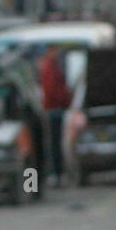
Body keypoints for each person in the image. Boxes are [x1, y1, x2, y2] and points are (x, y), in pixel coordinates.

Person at [38, 45, 71, 187]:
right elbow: (52, 90)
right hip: (53, 108)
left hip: (55, 108)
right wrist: (64, 100)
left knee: (56, 142)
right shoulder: (49, 68)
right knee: (54, 143)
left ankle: (57, 173)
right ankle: (55, 173)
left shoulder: (52, 66)